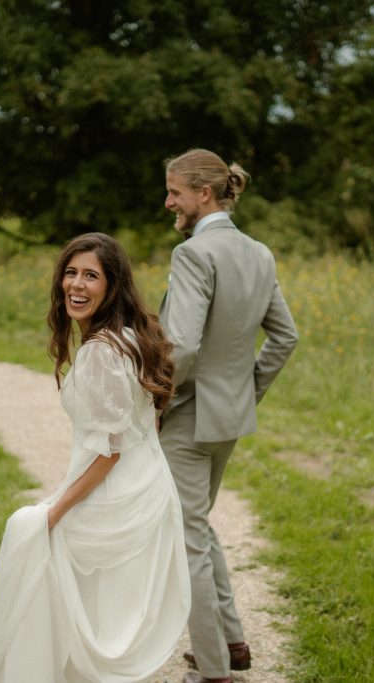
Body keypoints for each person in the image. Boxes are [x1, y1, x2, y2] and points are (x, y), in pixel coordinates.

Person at [0, 233, 191, 683]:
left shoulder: (101, 352)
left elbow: (110, 452)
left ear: (112, 285)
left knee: (64, 594)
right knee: (108, 617)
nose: (76, 284)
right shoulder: (133, 337)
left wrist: (54, 512)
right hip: (148, 487)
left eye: (91, 275)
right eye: (70, 273)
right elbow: (148, 424)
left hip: (116, 498)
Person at [158, 149, 299, 683]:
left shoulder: (193, 254)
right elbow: (285, 337)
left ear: (204, 194)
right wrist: (245, 393)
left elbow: (183, 346)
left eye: (175, 192)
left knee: (187, 540)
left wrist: (157, 403)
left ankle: (214, 671)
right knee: (198, 525)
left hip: (188, 419)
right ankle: (233, 642)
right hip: (228, 422)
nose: (168, 202)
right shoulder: (259, 253)